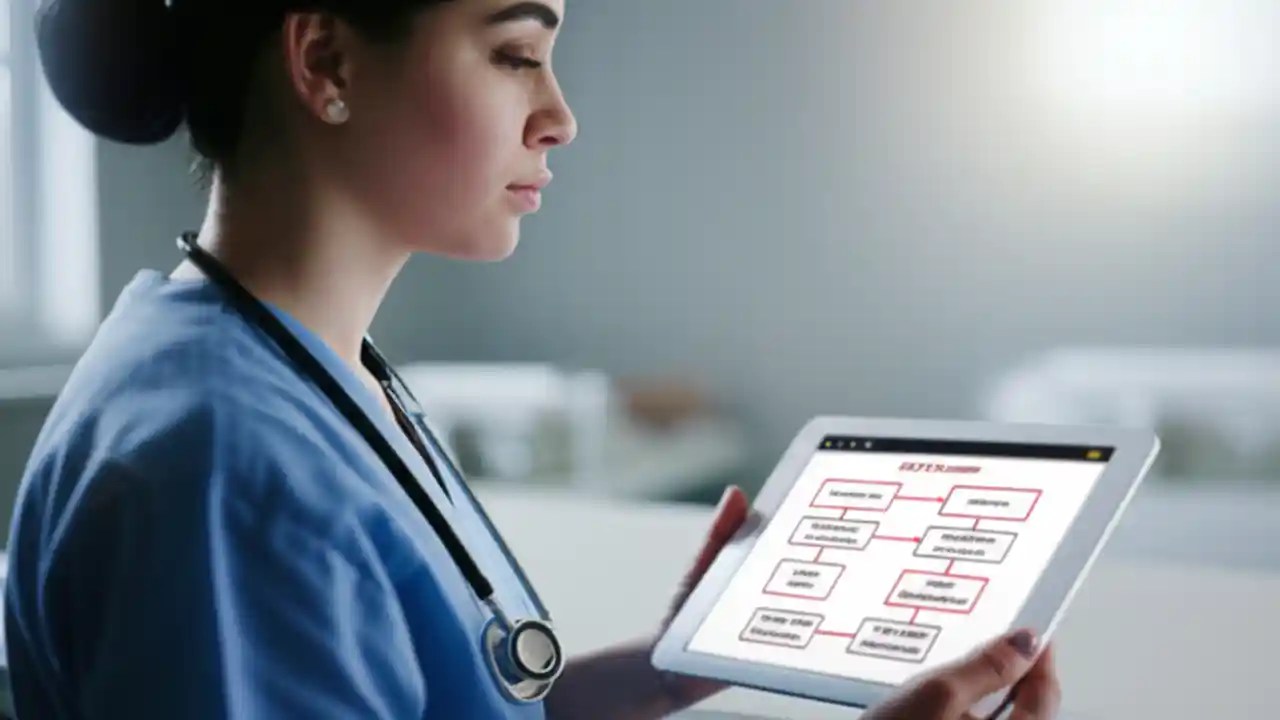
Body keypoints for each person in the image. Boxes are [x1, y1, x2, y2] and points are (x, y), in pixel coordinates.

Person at [6, 0, 1061, 718]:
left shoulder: (289, 372)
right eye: (515, 53)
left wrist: (662, 668)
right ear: (324, 60)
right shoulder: (226, 473)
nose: (558, 117)